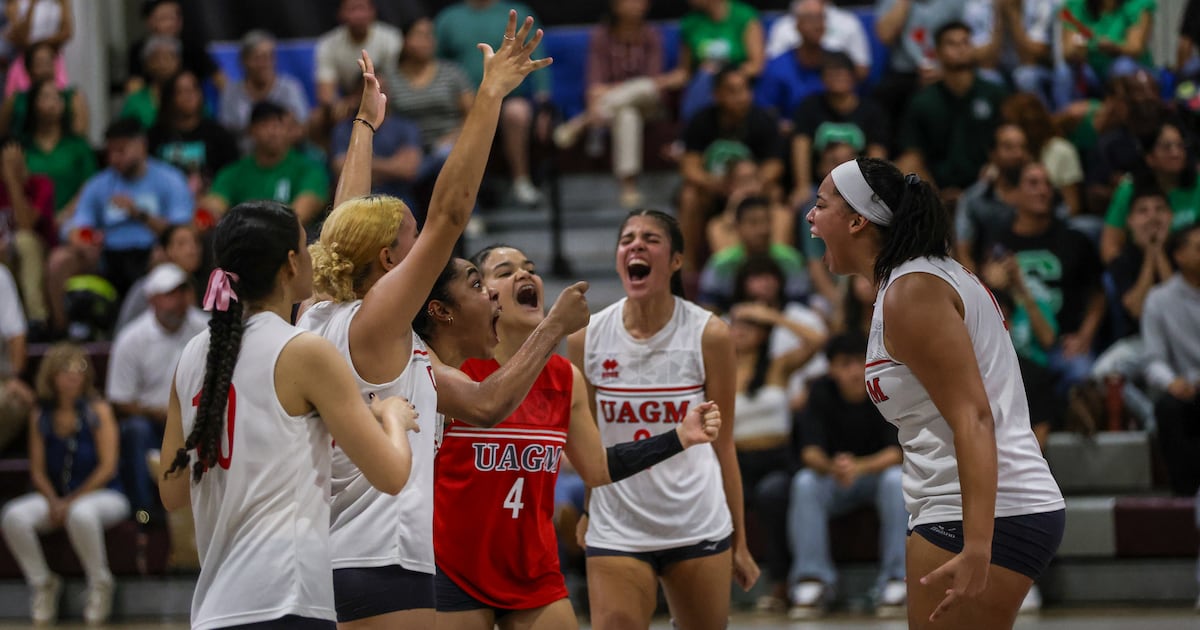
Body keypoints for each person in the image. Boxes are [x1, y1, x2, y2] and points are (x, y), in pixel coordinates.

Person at [298, 23, 576, 628]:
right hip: (380, 562)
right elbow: (452, 211)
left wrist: (364, 127)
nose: (424, 240)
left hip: (334, 563)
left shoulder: (321, 309)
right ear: (393, 264)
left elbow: (344, 221)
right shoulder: (377, 325)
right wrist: (490, 98)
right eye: (410, 237)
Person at [806, 156, 1065, 628]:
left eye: (820, 205)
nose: (809, 216)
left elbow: (975, 417)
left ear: (858, 219)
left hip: (980, 509)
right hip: (973, 504)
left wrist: (978, 544)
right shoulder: (916, 279)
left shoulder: (913, 290)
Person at [418, 245, 722, 629]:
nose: (525, 275)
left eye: (530, 268)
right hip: (454, 567)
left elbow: (596, 468)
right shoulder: (455, 370)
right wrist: (554, 328)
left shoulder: (565, 378)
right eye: (505, 271)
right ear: (485, 296)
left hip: (534, 571)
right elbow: (488, 404)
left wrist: (678, 436)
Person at [158, 200, 420, 630]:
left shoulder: (192, 356)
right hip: (284, 598)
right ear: (291, 263)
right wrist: (393, 416)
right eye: (305, 245)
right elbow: (391, 475)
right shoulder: (303, 351)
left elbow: (171, 494)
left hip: (214, 609)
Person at [568, 209, 761, 629]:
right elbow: (590, 443)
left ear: (676, 261)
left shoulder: (709, 333)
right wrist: (587, 510)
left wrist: (740, 542)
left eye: (651, 239)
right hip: (617, 522)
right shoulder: (586, 337)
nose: (636, 245)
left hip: (696, 519)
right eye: (627, 239)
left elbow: (723, 444)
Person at [0, 343, 127, 625]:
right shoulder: (40, 414)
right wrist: (54, 500)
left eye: (78, 371)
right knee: (13, 516)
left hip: (104, 495)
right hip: (57, 496)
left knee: (80, 514)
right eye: (65, 371)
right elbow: (37, 471)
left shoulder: (99, 410)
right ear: (51, 376)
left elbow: (107, 468)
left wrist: (68, 502)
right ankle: (43, 583)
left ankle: (100, 582)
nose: (72, 377)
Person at [787, 333, 907, 618]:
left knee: (896, 479)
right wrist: (834, 468)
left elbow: (897, 452)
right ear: (831, 369)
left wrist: (858, 467)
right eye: (844, 364)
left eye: (859, 363)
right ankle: (813, 580)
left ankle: (896, 579)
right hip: (835, 478)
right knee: (805, 483)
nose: (854, 371)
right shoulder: (820, 392)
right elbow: (810, 453)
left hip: (876, 476)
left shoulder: (886, 388)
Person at [107, 262, 207, 528]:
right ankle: (146, 511)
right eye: (169, 294)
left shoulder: (206, 327)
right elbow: (118, 399)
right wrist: (158, 412)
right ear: (152, 299)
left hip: (200, 415)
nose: (178, 301)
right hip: (153, 420)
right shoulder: (131, 339)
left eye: (182, 292)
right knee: (135, 431)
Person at [552, 0, 669, 209]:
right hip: (615, 108)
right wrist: (615, 92)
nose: (637, 4)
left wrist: (610, 92)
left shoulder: (652, 34)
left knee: (645, 87)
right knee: (627, 114)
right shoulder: (601, 36)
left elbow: (655, 82)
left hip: (650, 104)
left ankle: (582, 121)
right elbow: (594, 86)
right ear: (615, 5)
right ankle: (628, 186)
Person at [434, 0, 551, 206]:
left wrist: (544, 105)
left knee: (517, 113)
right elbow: (434, 62)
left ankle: (521, 180)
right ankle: (464, 195)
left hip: (511, 94)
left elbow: (538, 59)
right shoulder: (448, 18)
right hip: (461, 99)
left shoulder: (518, 12)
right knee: (463, 116)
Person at [202, 102, 329, 229]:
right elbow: (212, 208)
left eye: (278, 125)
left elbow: (300, 215)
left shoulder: (310, 170)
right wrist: (207, 215)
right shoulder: (234, 173)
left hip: (294, 242)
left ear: (288, 130)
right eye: (264, 125)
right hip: (244, 242)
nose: (273, 132)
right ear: (251, 131)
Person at [1144, 222, 1200, 497]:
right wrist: (1173, 382)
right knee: (1167, 407)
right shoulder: (1159, 299)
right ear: (1179, 256)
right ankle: (1185, 496)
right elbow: (1153, 360)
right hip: (1188, 392)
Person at [148, 70, 240, 197]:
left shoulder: (219, 135)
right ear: (169, 98)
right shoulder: (155, 136)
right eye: (181, 92)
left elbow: (232, 176)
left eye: (193, 90)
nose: (189, 96)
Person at [314, 0, 403, 126]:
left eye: (362, 8)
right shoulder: (327, 44)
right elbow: (325, 93)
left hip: (387, 98)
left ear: (373, 12)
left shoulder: (391, 38)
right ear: (340, 14)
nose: (358, 15)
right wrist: (339, 106)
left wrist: (365, 99)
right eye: (352, 9)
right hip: (348, 101)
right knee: (317, 118)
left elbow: (395, 82)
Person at [765, 0, 871, 79]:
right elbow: (773, 69)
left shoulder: (848, 22)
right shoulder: (782, 26)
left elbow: (862, 69)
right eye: (810, 19)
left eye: (820, 18)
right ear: (798, 25)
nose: (817, 26)